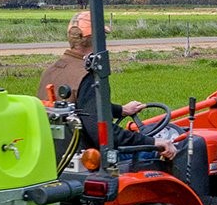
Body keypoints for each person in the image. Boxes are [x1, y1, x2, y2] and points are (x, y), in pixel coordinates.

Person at [39, 11, 176, 161]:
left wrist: (121, 110)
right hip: (89, 157)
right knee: (163, 151)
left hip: (57, 155)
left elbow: (83, 108)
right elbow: (101, 132)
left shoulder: (51, 71)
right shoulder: (88, 77)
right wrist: (153, 142)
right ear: (96, 40)